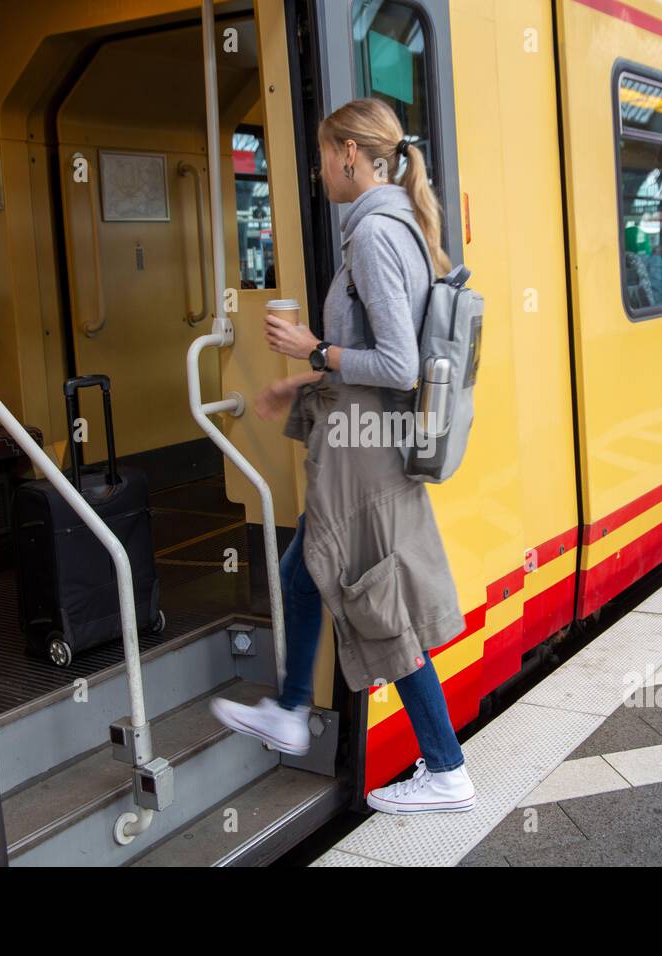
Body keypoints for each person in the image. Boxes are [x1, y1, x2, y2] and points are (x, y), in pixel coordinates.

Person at [209, 98, 474, 815]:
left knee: (372, 594)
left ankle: (447, 769)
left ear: (350, 154)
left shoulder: (374, 239)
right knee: (311, 570)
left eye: (325, 154)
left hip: (366, 455)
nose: (321, 168)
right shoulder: (394, 227)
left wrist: (312, 349)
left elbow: (396, 363)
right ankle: (292, 710)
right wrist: (303, 377)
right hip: (365, 444)